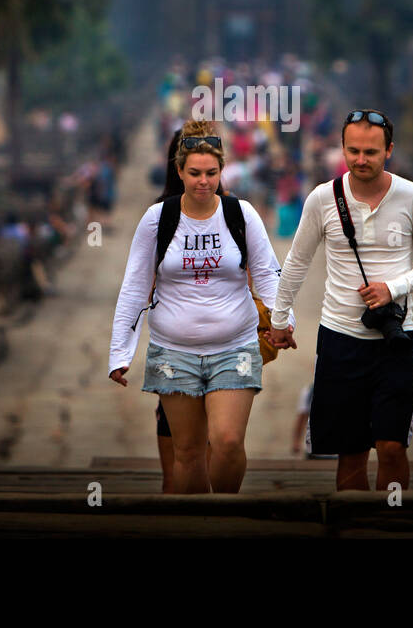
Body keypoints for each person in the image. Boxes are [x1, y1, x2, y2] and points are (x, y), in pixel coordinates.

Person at [110, 119, 289, 494]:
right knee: (188, 452)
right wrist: (120, 352)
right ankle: (200, 526)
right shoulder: (158, 219)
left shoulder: (241, 215)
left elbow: (269, 273)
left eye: (211, 173)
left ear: (223, 171)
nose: (203, 181)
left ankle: (225, 515)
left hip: (234, 346)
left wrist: (283, 321)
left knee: (226, 443)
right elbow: (134, 287)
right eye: (194, 173)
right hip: (173, 351)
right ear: (179, 171)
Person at [272, 109, 413, 492]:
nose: (361, 160)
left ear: (389, 151)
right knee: (350, 451)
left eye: (370, 152)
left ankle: (388, 524)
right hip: (339, 339)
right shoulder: (322, 199)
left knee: (391, 447)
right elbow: (297, 262)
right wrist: (279, 318)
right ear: (343, 149)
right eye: (353, 151)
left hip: (395, 338)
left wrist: (394, 287)